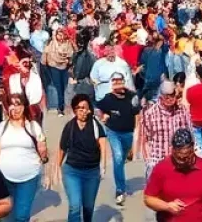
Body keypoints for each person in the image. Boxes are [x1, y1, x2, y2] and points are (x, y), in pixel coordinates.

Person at [0, 93, 48, 222]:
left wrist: (43, 153)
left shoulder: (33, 126)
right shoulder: (2, 126)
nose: (14, 108)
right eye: (11, 105)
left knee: (21, 215)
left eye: (18, 104)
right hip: (4, 177)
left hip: (29, 177)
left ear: (24, 107)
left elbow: (43, 150)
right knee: (7, 215)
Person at [144, 127, 202, 222]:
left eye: (186, 157)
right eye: (178, 157)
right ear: (173, 150)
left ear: (193, 148)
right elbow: (148, 198)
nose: (182, 161)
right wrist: (167, 206)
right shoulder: (161, 168)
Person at [55, 93, 107, 222]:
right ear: (74, 110)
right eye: (79, 108)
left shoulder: (95, 125)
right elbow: (62, 148)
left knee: (88, 207)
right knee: (75, 206)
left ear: (89, 109)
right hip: (72, 171)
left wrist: (103, 166)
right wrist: (57, 168)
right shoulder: (69, 126)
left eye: (85, 108)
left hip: (92, 172)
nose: (82, 111)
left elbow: (103, 145)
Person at [95, 72, 140, 206]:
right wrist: (103, 116)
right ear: (111, 83)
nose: (117, 83)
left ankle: (122, 163)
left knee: (123, 157)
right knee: (118, 157)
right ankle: (120, 189)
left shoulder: (132, 96)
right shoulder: (108, 98)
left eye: (120, 80)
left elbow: (137, 114)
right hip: (113, 131)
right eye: (114, 81)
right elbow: (97, 107)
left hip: (128, 132)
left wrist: (136, 133)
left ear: (124, 81)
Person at [138, 79, 193, 175]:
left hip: (180, 162)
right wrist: (148, 161)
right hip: (157, 162)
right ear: (160, 97)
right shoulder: (150, 113)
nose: (170, 99)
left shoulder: (182, 110)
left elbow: (190, 134)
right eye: (166, 97)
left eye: (172, 95)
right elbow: (144, 140)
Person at [43, 25, 76, 115]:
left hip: (65, 67)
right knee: (59, 88)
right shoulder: (52, 43)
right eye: (59, 35)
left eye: (63, 35)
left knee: (65, 87)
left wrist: (68, 61)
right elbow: (46, 53)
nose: (61, 37)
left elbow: (71, 55)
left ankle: (66, 105)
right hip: (54, 67)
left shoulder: (68, 44)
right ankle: (60, 108)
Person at [7, 57, 46, 123]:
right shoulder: (13, 78)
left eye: (28, 64)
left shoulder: (36, 77)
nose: (27, 65)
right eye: (24, 63)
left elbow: (41, 93)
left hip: (34, 106)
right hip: (21, 107)